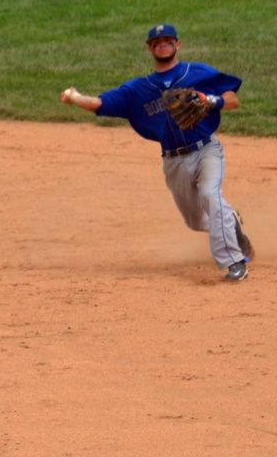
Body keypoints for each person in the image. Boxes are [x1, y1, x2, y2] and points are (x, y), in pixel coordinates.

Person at [61, 23, 253, 282]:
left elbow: (233, 99)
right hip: (174, 161)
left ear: (178, 45)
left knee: (210, 194)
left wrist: (210, 100)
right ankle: (230, 220)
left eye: (167, 41)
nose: (163, 45)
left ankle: (234, 262)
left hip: (207, 150)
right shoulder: (136, 91)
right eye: (157, 42)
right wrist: (75, 97)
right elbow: (100, 104)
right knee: (196, 222)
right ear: (150, 48)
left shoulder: (199, 73)